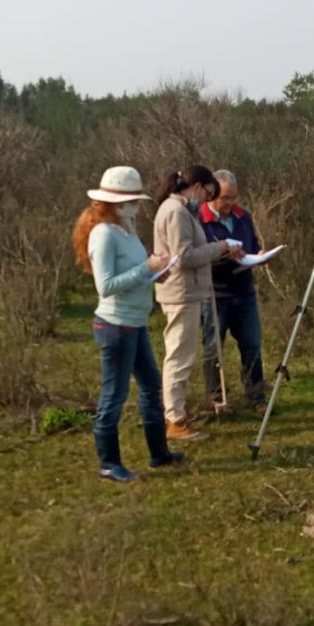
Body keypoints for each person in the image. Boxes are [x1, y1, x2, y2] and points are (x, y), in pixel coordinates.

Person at [73, 166, 184, 483]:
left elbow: (133, 273)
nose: (136, 204)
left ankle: (159, 454)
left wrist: (153, 274)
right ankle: (109, 463)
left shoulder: (126, 227)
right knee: (114, 394)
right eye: (130, 199)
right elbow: (105, 286)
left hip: (134, 322)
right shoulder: (103, 234)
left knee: (151, 387)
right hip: (115, 325)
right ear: (113, 200)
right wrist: (145, 269)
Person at [153, 165, 245, 441]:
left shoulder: (177, 210)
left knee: (181, 355)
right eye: (209, 193)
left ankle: (176, 414)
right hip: (181, 293)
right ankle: (175, 420)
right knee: (179, 358)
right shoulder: (176, 212)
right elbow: (184, 257)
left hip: (186, 292)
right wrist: (220, 247)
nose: (207, 200)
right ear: (197, 186)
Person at [200, 170, 268, 413]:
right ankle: (216, 399)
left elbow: (253, 245)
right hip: (215, 293)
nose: (229, 203)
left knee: (252, 343)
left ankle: (256, 397)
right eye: (225, 197)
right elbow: (197, 256)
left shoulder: (243, 216)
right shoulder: (200, 218)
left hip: (244, 290)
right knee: (213, 347)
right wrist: (223, 255)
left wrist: (258, 256)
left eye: (233, 197)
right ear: (213, 195)